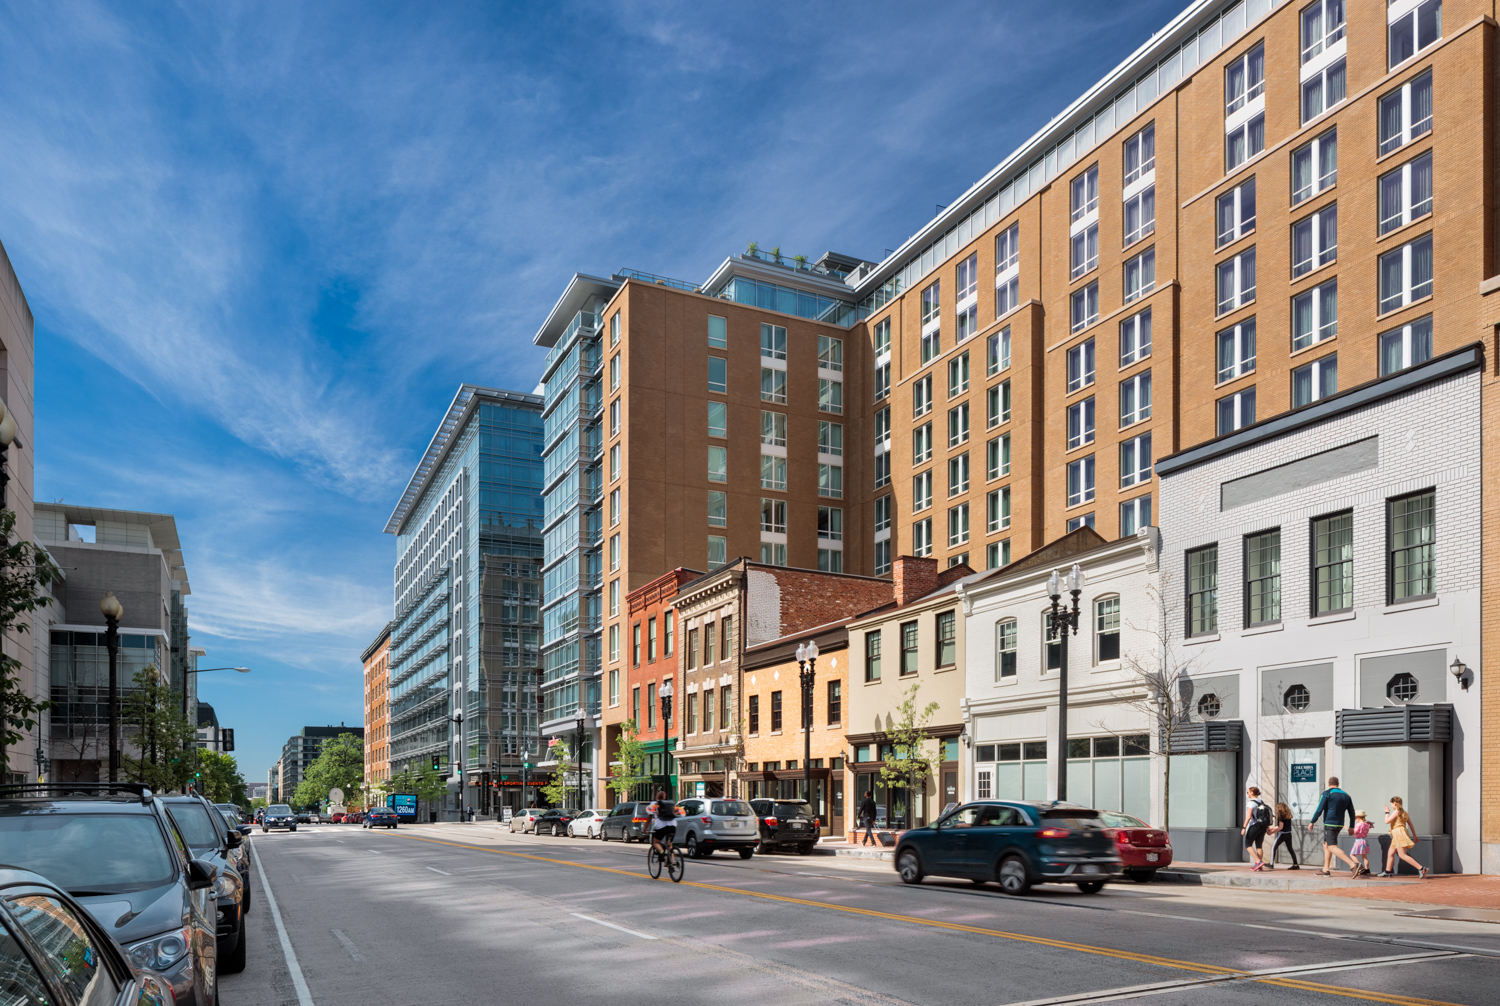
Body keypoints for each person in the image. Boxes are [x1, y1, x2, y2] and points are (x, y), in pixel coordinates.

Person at [1306, 775, 1358, 876]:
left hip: (1330, 824)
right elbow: (1352, 813)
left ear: (1329, 784)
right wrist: (1351, 827)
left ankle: (1352, 864)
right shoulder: (1346, 795)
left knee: (1332, 846)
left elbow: (1319, 809)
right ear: (1338, 784)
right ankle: (1326, 869)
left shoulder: (1327, 793)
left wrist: (1312, 821)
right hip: (1339, 824)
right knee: (1326, 844)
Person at [1379, 796, 1426, 878]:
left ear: (1395, 803)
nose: (1391, 807)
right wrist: (1415, 836)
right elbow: (1411, 825)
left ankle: (1421, 869)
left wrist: (1387, 812)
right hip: (1400, 833)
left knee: (1402, 855)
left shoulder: (1396, 812)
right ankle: (1387, 872)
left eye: (1392, 805)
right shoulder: (1404, 812)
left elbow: (1386, 821)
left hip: (1398, 834)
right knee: (1390, 853)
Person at [1240, 786, 1270, 871]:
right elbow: (1265, 816)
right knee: (1259, 845)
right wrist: (1267, 827)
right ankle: (1259, 865)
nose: (1248, 794)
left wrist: (1244, 827)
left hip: (1254, 826)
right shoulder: (1261, 802)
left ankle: (1258, 862)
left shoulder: (1251, 803)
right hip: (1262, 826)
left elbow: (1249, 816)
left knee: (1248, 844)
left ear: (1252, 792)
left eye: (1248, 792)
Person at [1269, 801, 1299, 869]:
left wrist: (1272, 832)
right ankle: (1295, 864)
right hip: (1288, 834)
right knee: (1290, 849)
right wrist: (1273, 828)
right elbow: (1281, 826)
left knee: (1274, 847)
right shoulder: (1288, 816)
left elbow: (1280, 827)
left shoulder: (1281, 816)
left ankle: (1271, 864)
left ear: (1280, 809)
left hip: (1282, 835)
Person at [648, 790, 677, 858]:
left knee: (655, 842)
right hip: (673, 825)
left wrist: (645, 829)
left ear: (657, 796)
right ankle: (671, 864)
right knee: (670, 845)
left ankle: (662, 852)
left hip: (661, 826)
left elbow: (649, 817)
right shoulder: (669, 804)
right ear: (664, 797)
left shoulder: (654, 804)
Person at [1349, 811, 1372, 876]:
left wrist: (1349, 831)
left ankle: (1360, 866)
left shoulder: (1358, 825)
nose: (1355, 820)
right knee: (1364, 856)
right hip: (1365, 840)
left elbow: (1355, 832)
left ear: (1358, 818)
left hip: (1358, 841)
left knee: (1352, 855)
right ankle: (1367, 869)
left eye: (1355, 818)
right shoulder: (1366, 824)